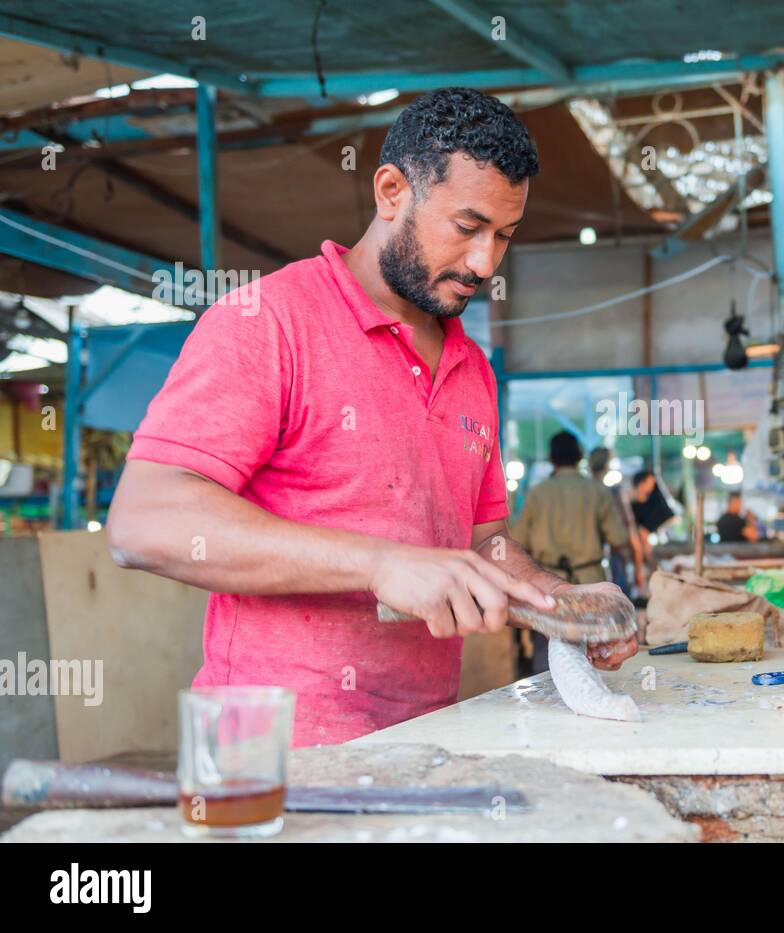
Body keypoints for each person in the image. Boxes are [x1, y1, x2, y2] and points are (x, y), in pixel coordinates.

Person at [106, 88, 637, 748]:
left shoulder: (472, 368)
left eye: (504, 235)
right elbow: (143, 522)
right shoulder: (270, 322)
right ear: (391, 191)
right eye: (467, 227)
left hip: (422, 743)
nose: (485, 262)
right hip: (271, 755)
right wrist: (381, 563)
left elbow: (482, 544)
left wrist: (561, 600)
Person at [512, 432, 630, 672]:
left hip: (545, 589)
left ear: (552, 458)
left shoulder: (538, 493)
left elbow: (516, 542)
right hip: (589, 584)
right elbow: (619, 540)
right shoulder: (596, 491)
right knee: (597, 655)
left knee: (546, 659)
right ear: (579, 457)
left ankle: (546, 702)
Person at [585, 446, 645, 596]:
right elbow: (624, 529)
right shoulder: (611, 493)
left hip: (584, 567)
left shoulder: (581, 493)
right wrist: (633, 563)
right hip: (611, 560)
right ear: (607, 465)